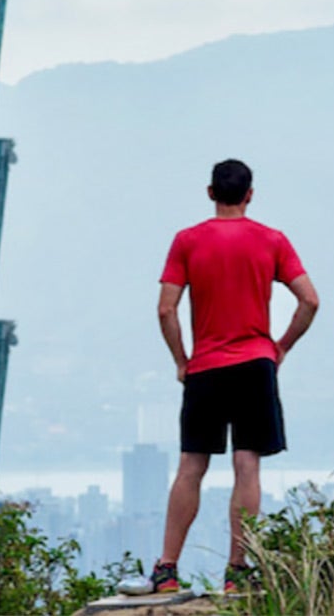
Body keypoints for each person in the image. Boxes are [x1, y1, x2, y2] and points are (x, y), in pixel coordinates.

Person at [133, 157, 320, 597]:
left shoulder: (187, 241)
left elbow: (166, 308)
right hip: (255, 363)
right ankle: (238, 571)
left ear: (210, 192)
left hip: (206, 367)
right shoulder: (272, 240)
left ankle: (166, 569)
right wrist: (282, 346)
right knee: (246, 463)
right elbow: (310, 300)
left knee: (191, 466)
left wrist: (181, 359)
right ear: (250, 194)